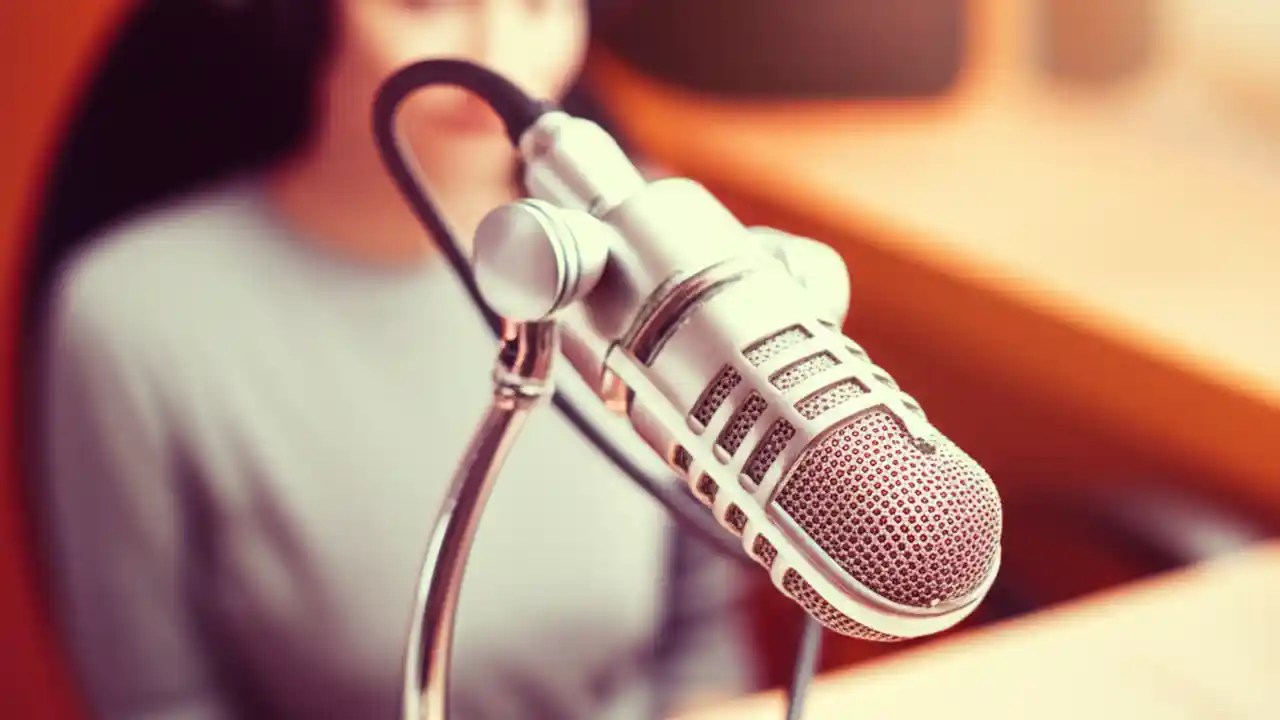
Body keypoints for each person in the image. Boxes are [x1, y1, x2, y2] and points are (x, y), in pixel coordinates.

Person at [32, 1, 754, 718]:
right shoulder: (132, 316)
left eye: (538, 2)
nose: (494, 51)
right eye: (423, 3)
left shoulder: (654, 260)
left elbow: (703, 646)